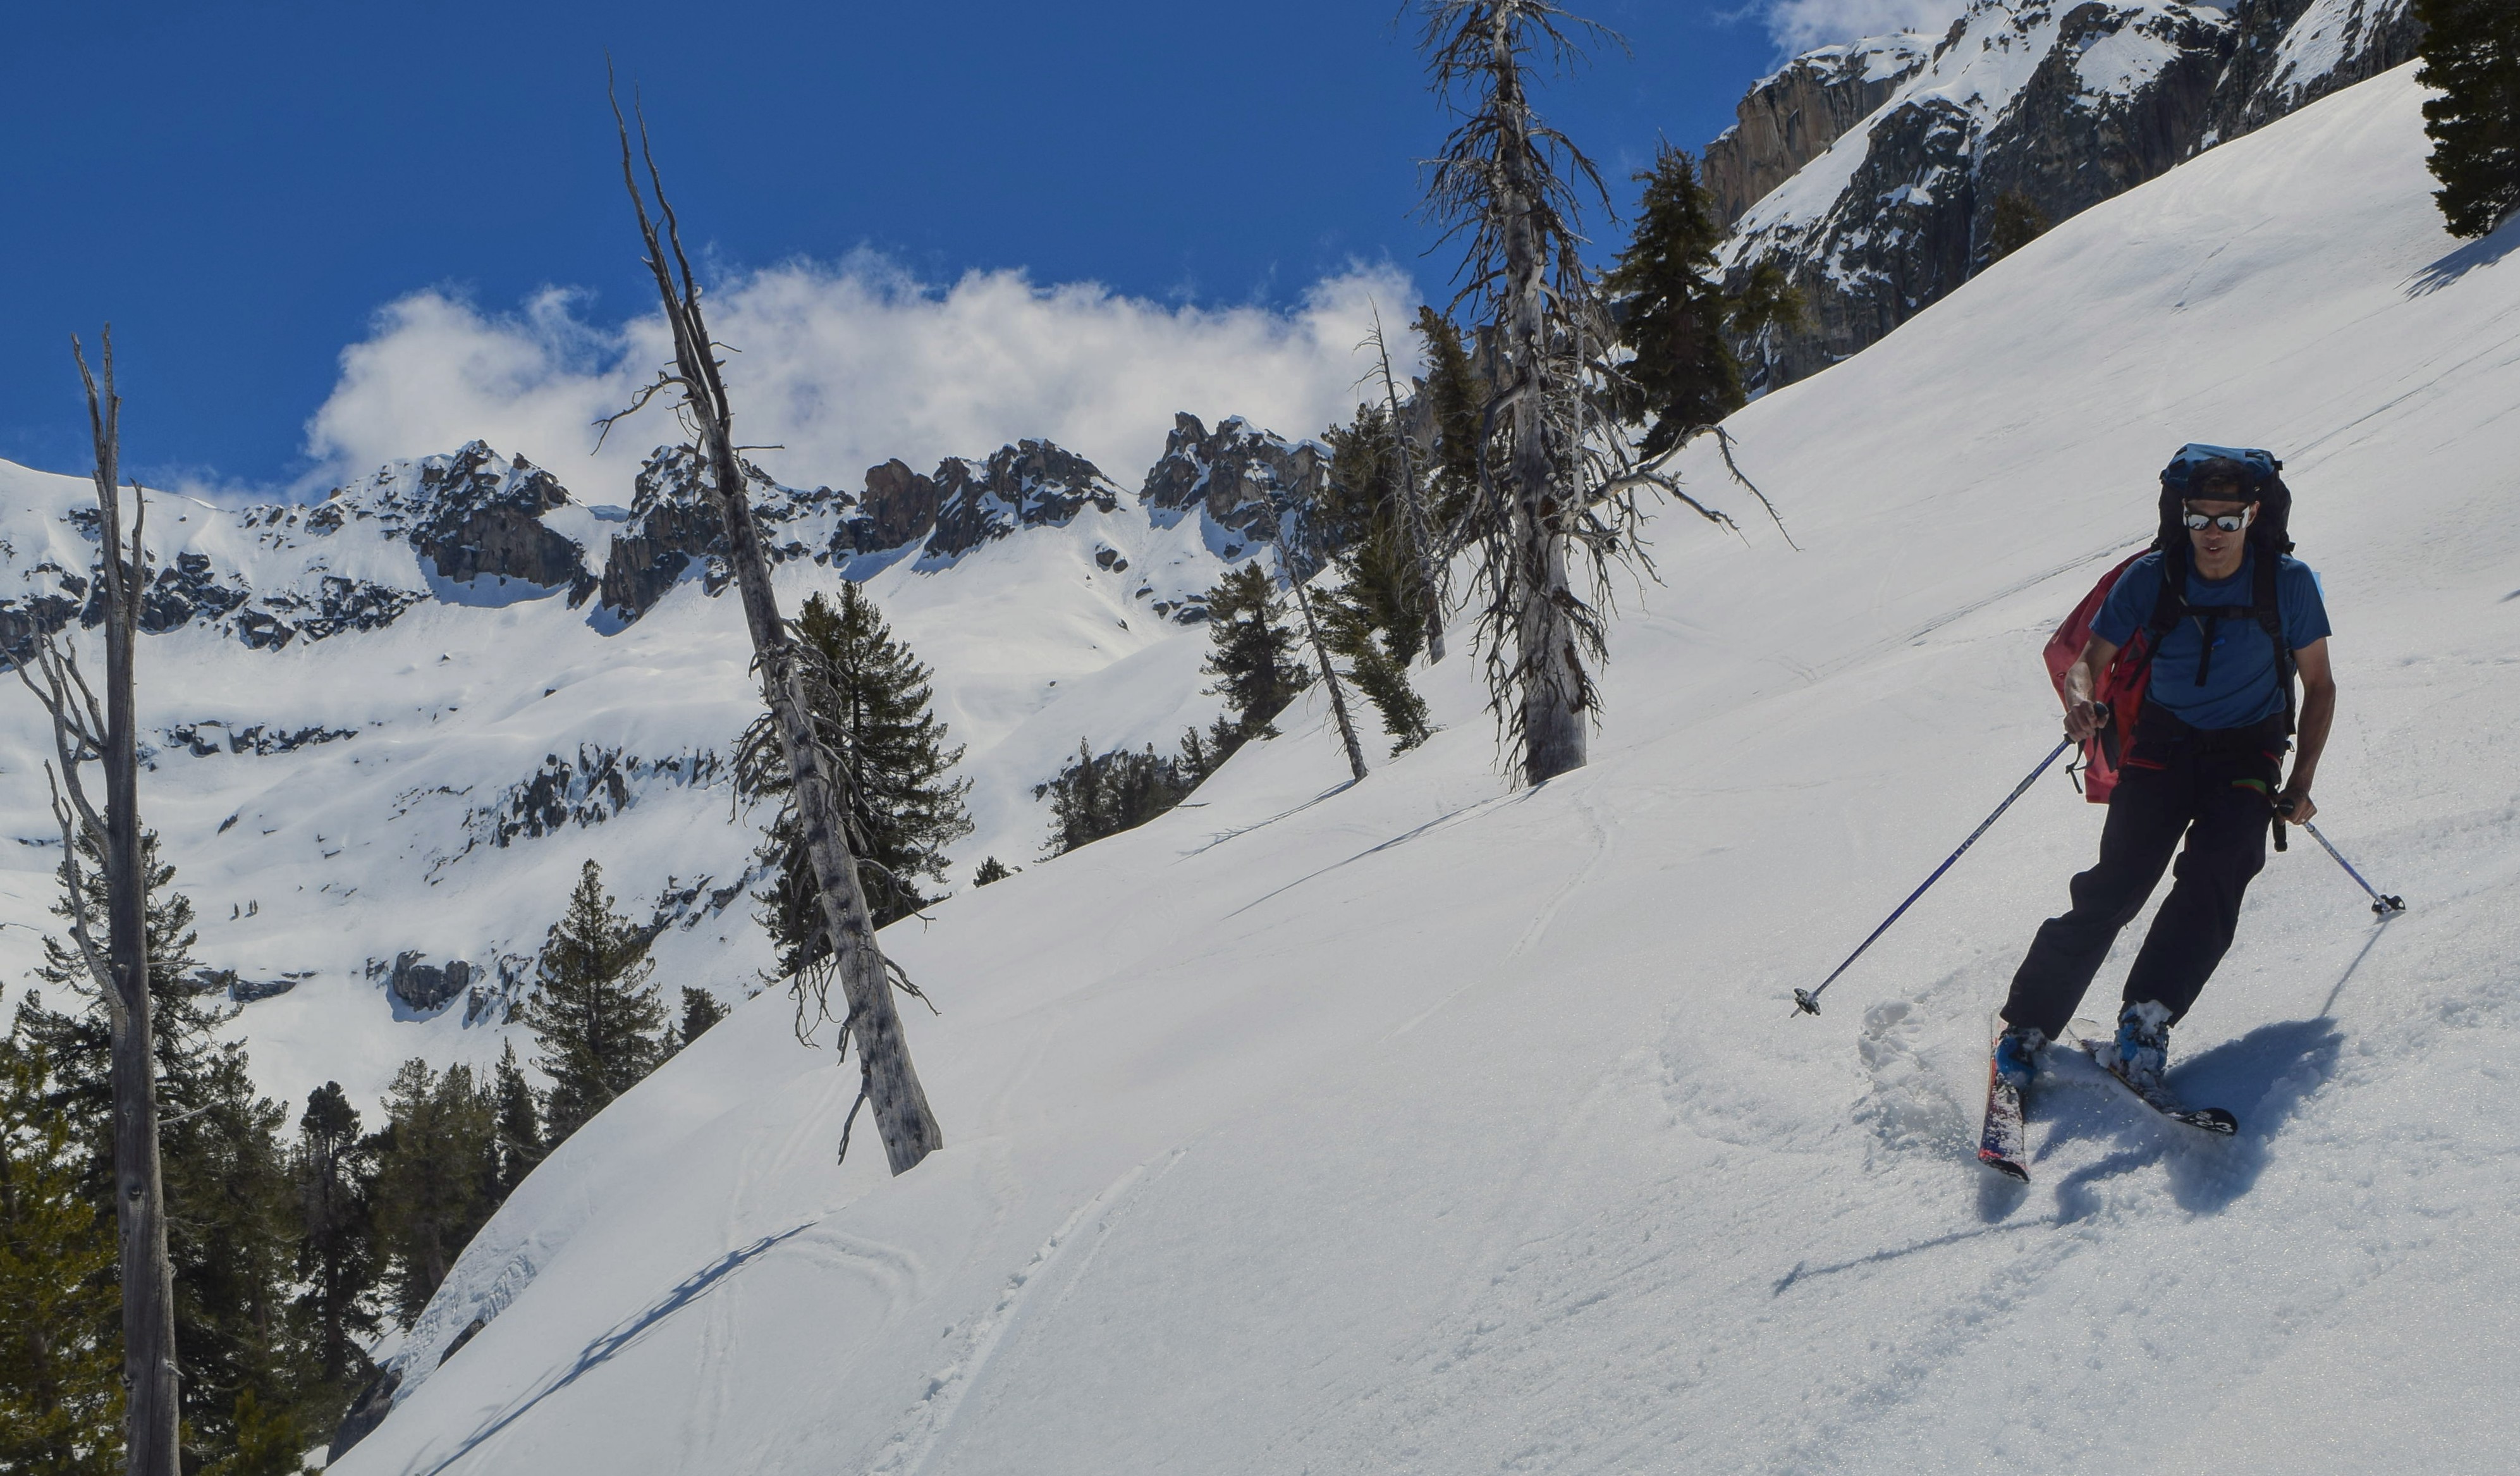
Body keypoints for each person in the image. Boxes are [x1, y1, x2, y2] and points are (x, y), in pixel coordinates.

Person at [1997, 455, 2333, 1092]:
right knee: (2116, 886)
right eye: (2200, 519)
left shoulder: (2286, 582)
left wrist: (2301, 783)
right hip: (2161, 746)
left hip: (2247, 754)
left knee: (2216, 876)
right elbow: (2087, 662)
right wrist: (2079, 703)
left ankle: (2146, 1018)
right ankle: (2026, 1026)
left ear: (2252, 516)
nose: (2213, 532)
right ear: (2184, 516)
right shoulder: (2153, 576)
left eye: (2228, 520)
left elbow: (2319, 685)